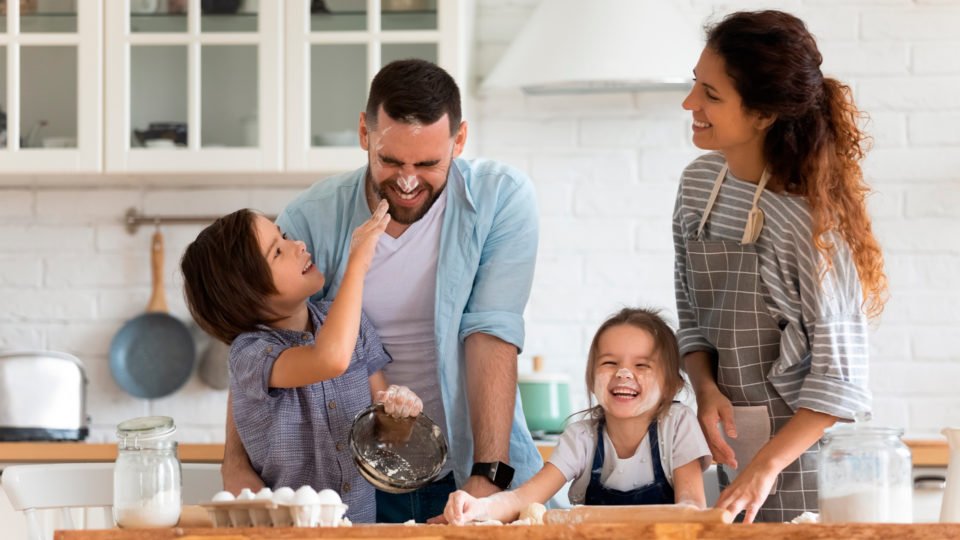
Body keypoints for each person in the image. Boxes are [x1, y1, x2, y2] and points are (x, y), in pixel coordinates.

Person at [219, 58, 542, 523]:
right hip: (351, 484)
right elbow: (258, 338)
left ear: (459, 140)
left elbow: (491, 334)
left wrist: (487, 475)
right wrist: (235, 462)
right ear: (364, 134)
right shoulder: (310, 218)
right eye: (391, 161)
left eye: (428, 164)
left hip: (469, 470)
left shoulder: (501, 199)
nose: (407, 181)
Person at [674, 10, 888, 523]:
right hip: (734, 449)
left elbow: (840, 379)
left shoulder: (807, 224)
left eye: (711, 94)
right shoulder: (698, 185)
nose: (690, 103)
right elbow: (692, 317)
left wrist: (765, 467)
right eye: (695, 84)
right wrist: (705, 389)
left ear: (763, 115)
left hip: (811, 467)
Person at [180, 202, 425, 524]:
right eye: (277, 252)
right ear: (246, 292)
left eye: (283, 236)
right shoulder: (250, 354)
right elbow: (329, 359)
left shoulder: (353, 325)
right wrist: (358, 264)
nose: (297, 245)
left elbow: (386, 437)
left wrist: (400, 413)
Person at [443, 308, 712, 525]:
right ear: (591, 377)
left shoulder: (678, 425)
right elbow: (523, 499)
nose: (623, 374)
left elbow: (692, 507)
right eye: (610, 363)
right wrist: (478, 507)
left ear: (672, 385)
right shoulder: (582, 437)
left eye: (642, 365)